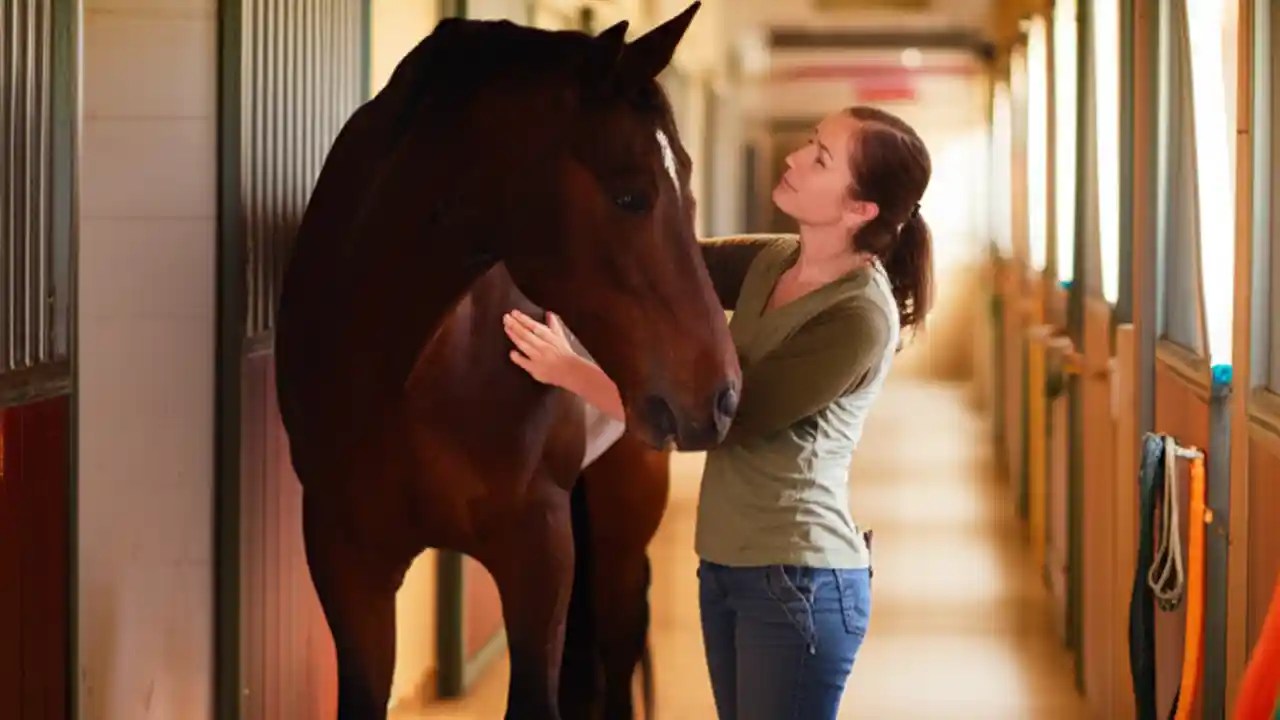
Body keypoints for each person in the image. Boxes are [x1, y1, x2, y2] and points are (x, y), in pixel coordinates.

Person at [500, 105, 934, 719]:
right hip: (730, 564)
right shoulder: (775, 261)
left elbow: (720, 423)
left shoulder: (858, 317)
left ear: (859, 209)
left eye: (819, 158)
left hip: (799, 579)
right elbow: (665, 263)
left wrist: (567, 370)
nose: (793, 158)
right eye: (808, 142)